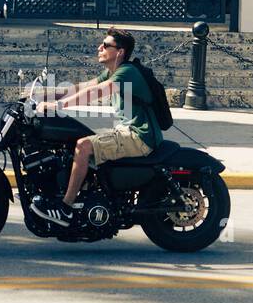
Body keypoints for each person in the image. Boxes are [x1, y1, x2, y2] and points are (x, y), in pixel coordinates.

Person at [30, 28, 162, 227]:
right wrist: (47, 96)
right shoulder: (112, 72)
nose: (100, 47)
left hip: (139, 136)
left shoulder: (128, 72)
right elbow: (83, 87)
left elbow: (96, 92)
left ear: (120, 52)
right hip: (125, 132)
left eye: (106, 45)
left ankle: (65, 209)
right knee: (73, 142)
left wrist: (57, 106)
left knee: (83, 146)